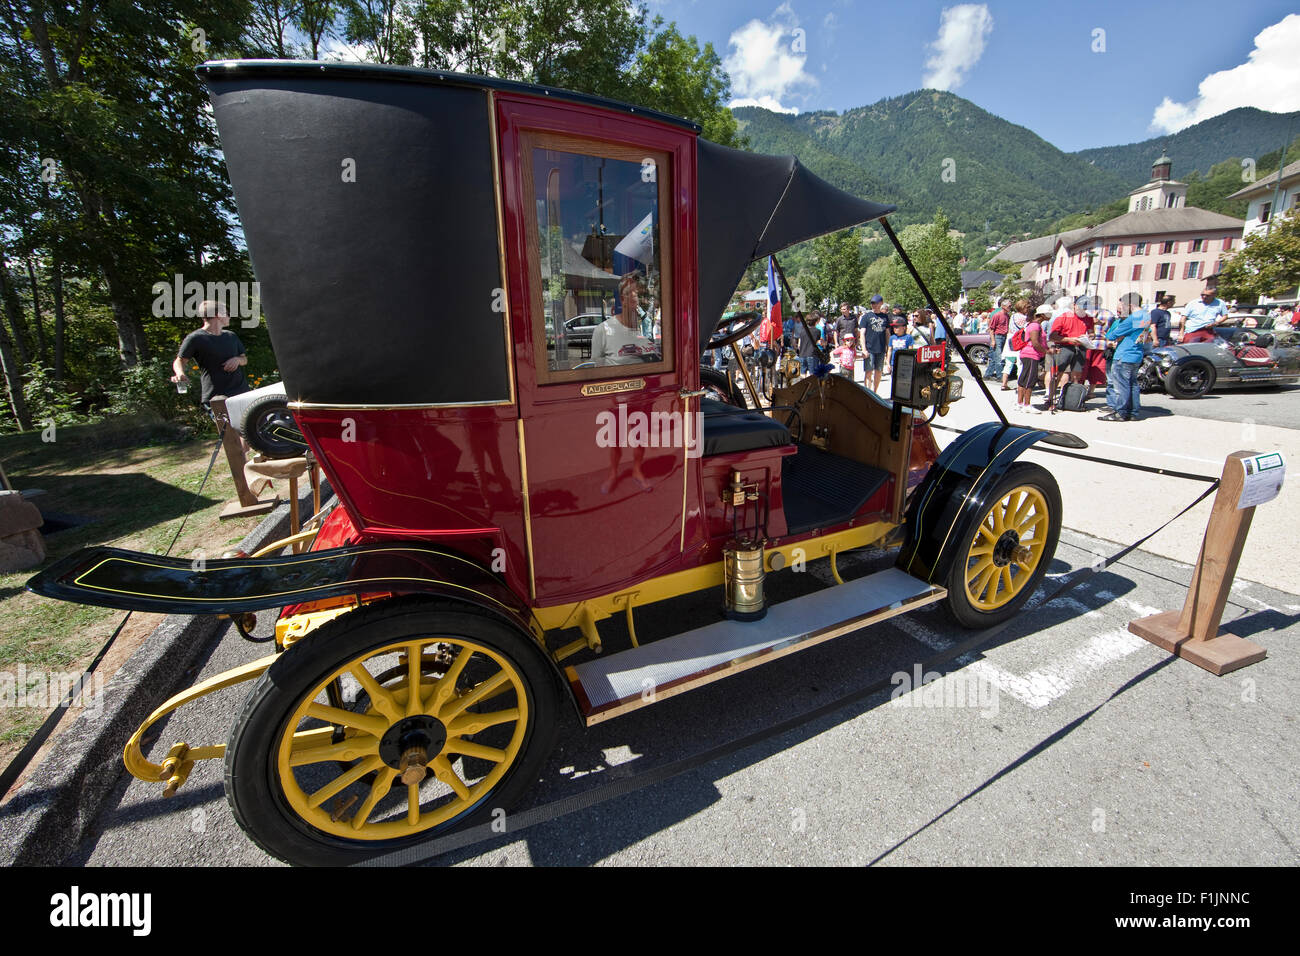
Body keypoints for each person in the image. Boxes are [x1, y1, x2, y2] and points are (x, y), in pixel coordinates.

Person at [172, 300, 250, 409]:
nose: (229, 317)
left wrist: (237, 359)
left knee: (253, 426)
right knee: (228, 427)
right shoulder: (195, 338)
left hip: (242, 393)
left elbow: (244, 359)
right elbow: (179, 361)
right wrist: (180, 373)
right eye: (227, 313)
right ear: (218, 315)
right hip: (216, 397)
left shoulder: (231, 336)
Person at [1098, 295, 1152, 422]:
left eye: (1122, 305)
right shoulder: (1145, 316)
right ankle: (1133, 412)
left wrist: (1114, 334)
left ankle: (1120, 412)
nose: (1121, 308)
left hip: (1124, 353)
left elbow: (1112, 335)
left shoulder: (1132, 318)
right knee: (1132, 384)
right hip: (1136, 352)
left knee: (1121, 385)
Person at [1047, 296, 1089, 411]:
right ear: (1074, 306)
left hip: (1080, 348)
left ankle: (1073, 400)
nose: (1082, 311)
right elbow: (1052, 336)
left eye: (1084, 309)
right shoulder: (1063, 317)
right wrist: (1069, 339)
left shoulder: (1088, 318)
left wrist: (1088, 337)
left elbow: (1091, 332)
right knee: (1057, 374)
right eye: (1080, 308)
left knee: (1077, 376)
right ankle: (1050, 399)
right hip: (1065, 347)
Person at [1016, 304, 1050, 414]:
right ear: (1043, 315)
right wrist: (1046, 351)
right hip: (1031, 354)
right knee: (1029, 380)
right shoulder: (1035, 326)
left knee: (1023, 378)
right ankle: (1027, 404)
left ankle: (1020, 403)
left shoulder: (1032, 324)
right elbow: (1035, 342)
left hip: (1027, 353)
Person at [859, 294, 890, 392]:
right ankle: (868, 393)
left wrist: (888, 348)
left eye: (875, 303)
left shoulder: (885, 317)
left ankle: (875, 392)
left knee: (879, 371)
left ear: (880, 303)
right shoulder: (866, 317)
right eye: (872, 303)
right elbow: (862, 333)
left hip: (880, 348)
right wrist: (864, 349)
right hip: (869, 348)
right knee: (868, 371)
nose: (873, 305)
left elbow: (887, 333)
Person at [1001, 299, 1029, 391]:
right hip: (1019, 341)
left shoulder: (1012, 316)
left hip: (1010, 340)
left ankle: (1004, 384)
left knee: (1008, 364)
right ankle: (1019, 385)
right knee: (1020, 365)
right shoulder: (1025, 318)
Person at [984, 299, 1010, 379]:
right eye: (1009, 306)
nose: (1010, 307)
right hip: (997, 336)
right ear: (1003, 306)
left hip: (1004, 336)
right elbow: (991, 329)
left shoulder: (1007, 316)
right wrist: (993, 340)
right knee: (999, 357)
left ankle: (987, 375)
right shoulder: (997, 315)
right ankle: (1000, 376)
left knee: (995, 357)